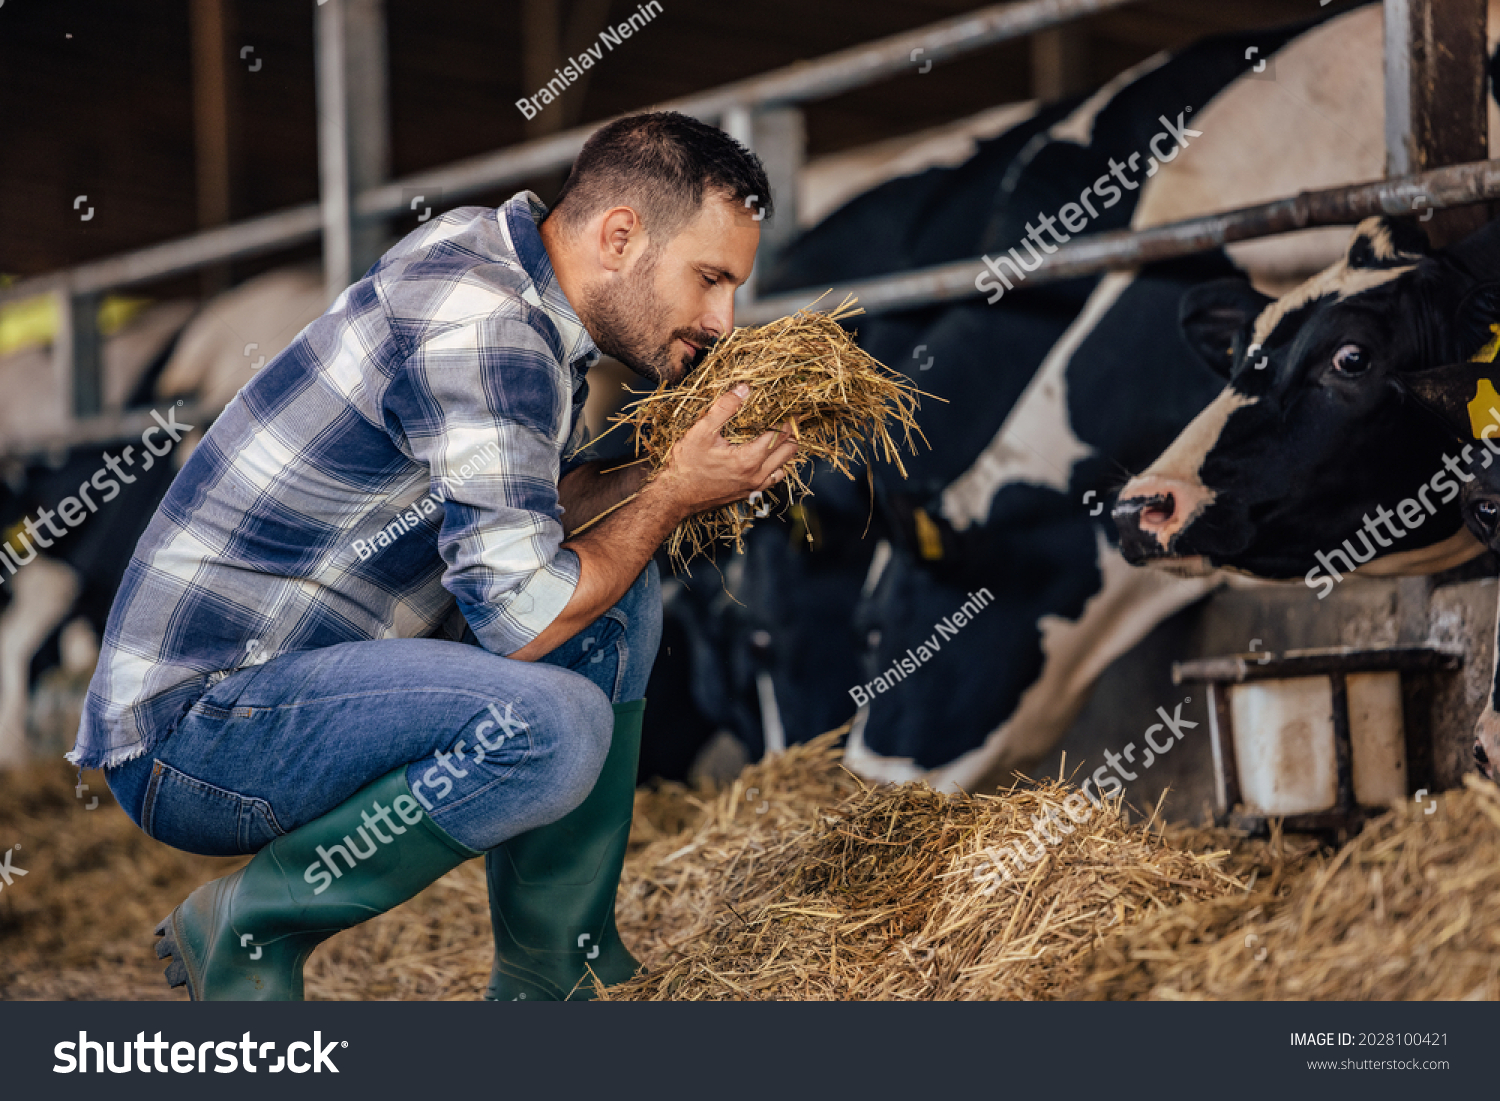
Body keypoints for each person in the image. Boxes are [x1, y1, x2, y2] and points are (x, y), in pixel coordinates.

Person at [69, 110, 796, 1001]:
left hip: (307, 679)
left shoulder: (520, 277)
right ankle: (251, 922)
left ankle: (547, 975)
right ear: (620, 237)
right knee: (554, 726)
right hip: (196, 734)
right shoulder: (486, 324)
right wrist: (676, 490)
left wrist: (667, 475)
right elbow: (525, 620)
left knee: (621, 584)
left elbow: (527, 519)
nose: (723, 320)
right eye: (710, 279)